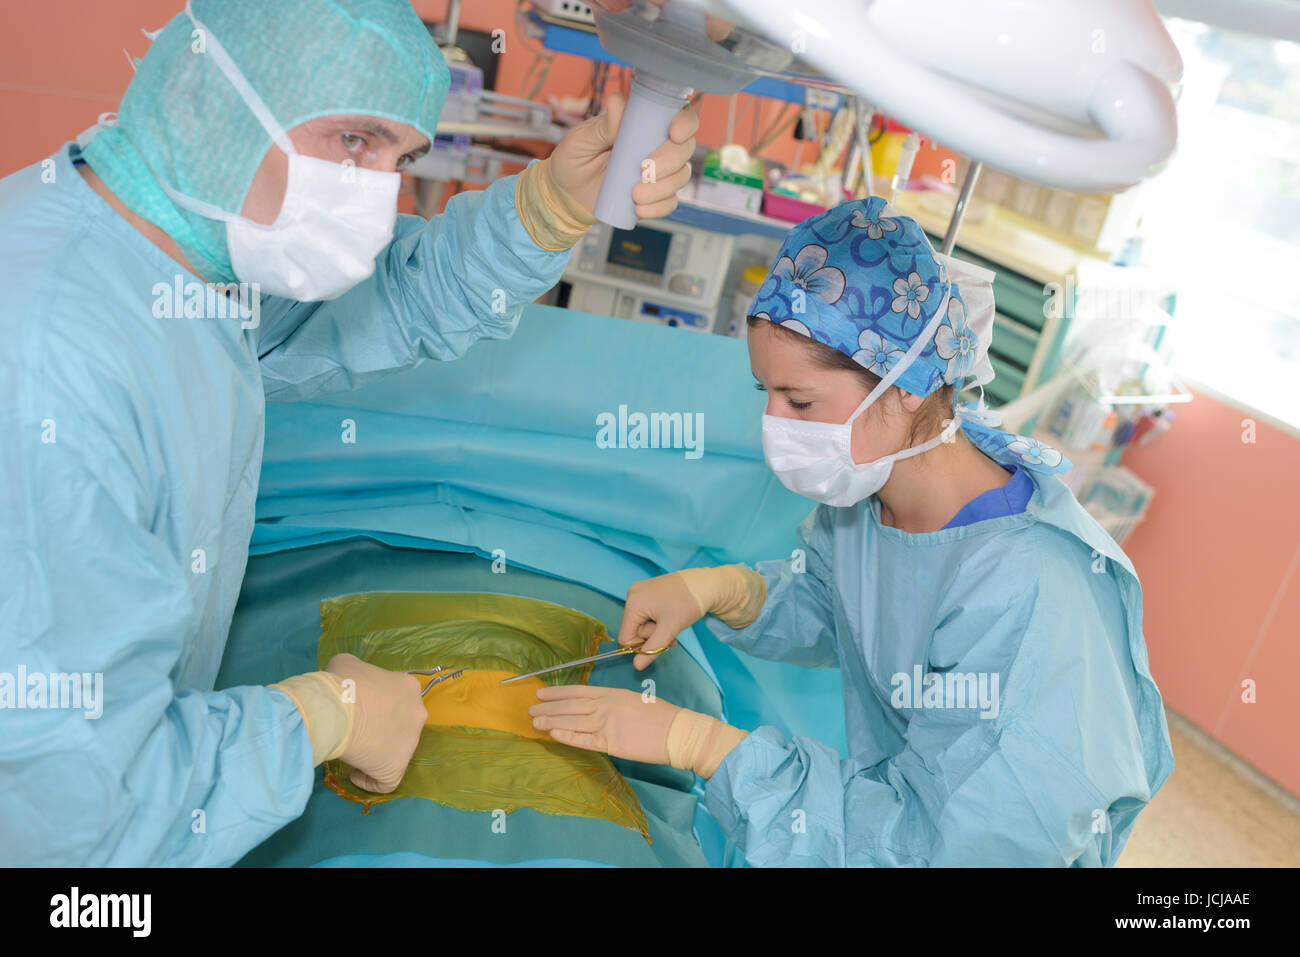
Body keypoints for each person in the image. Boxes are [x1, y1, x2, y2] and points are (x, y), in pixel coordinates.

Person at [0, 0, 696, 866]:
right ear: (205, 99)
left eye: (401, 159)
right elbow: (70, 819)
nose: (374, 194)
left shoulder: (188, 266)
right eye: (353, 143)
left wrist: (549, 206)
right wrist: (319, 720)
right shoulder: (50, 369)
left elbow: (386, 302)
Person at [530, 196, 1176, 866]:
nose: (775, 426)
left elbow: (939, 848)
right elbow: (842, 602)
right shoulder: (871, 490)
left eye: (800, 401)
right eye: (767, 395)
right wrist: (726, 590)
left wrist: (705, 747)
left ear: (907, 386)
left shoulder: (1028, 597)